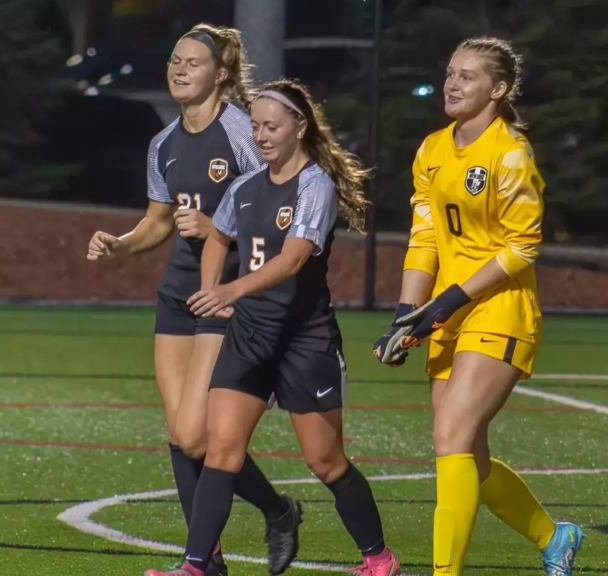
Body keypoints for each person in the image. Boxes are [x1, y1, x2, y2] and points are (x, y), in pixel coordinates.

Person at [154, 79, 400, 576]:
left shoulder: (315, 187)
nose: (261, 136)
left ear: (299, 128)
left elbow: (292, 260)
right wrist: (211, 293)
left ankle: (379, 558)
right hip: (248, 336)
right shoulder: (244, 188)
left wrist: (230, 290)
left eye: (271, 126)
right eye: (257, 127)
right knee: (220, 447)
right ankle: (195, 567)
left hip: (303, 342)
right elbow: (218, 238)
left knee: (326, 463)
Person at [84, 24, 301, 576]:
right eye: (173, 61)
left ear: (221, 75)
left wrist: (216, 226)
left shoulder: (240, 133)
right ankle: (215, 559)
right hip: (177, 293)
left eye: (192, 62)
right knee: (181, 435)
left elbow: (275, 207)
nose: (178, 69)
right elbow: (158, 222)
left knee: (193, 432)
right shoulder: (164, 142)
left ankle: (267, 517)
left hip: (227, 295)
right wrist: (121, 246)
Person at [372, 37, 583, 576]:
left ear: (499, 89)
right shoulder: (432, 149)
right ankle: (553, 536)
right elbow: (424, 238)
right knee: (471, 459)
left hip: (499, 310)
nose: (453, 83)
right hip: (447, 313)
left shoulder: (510, 153)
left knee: (451, 440)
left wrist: (450, 297)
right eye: (450, 73)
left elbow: (521, 247)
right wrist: (405, 314)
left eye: (468, 76)